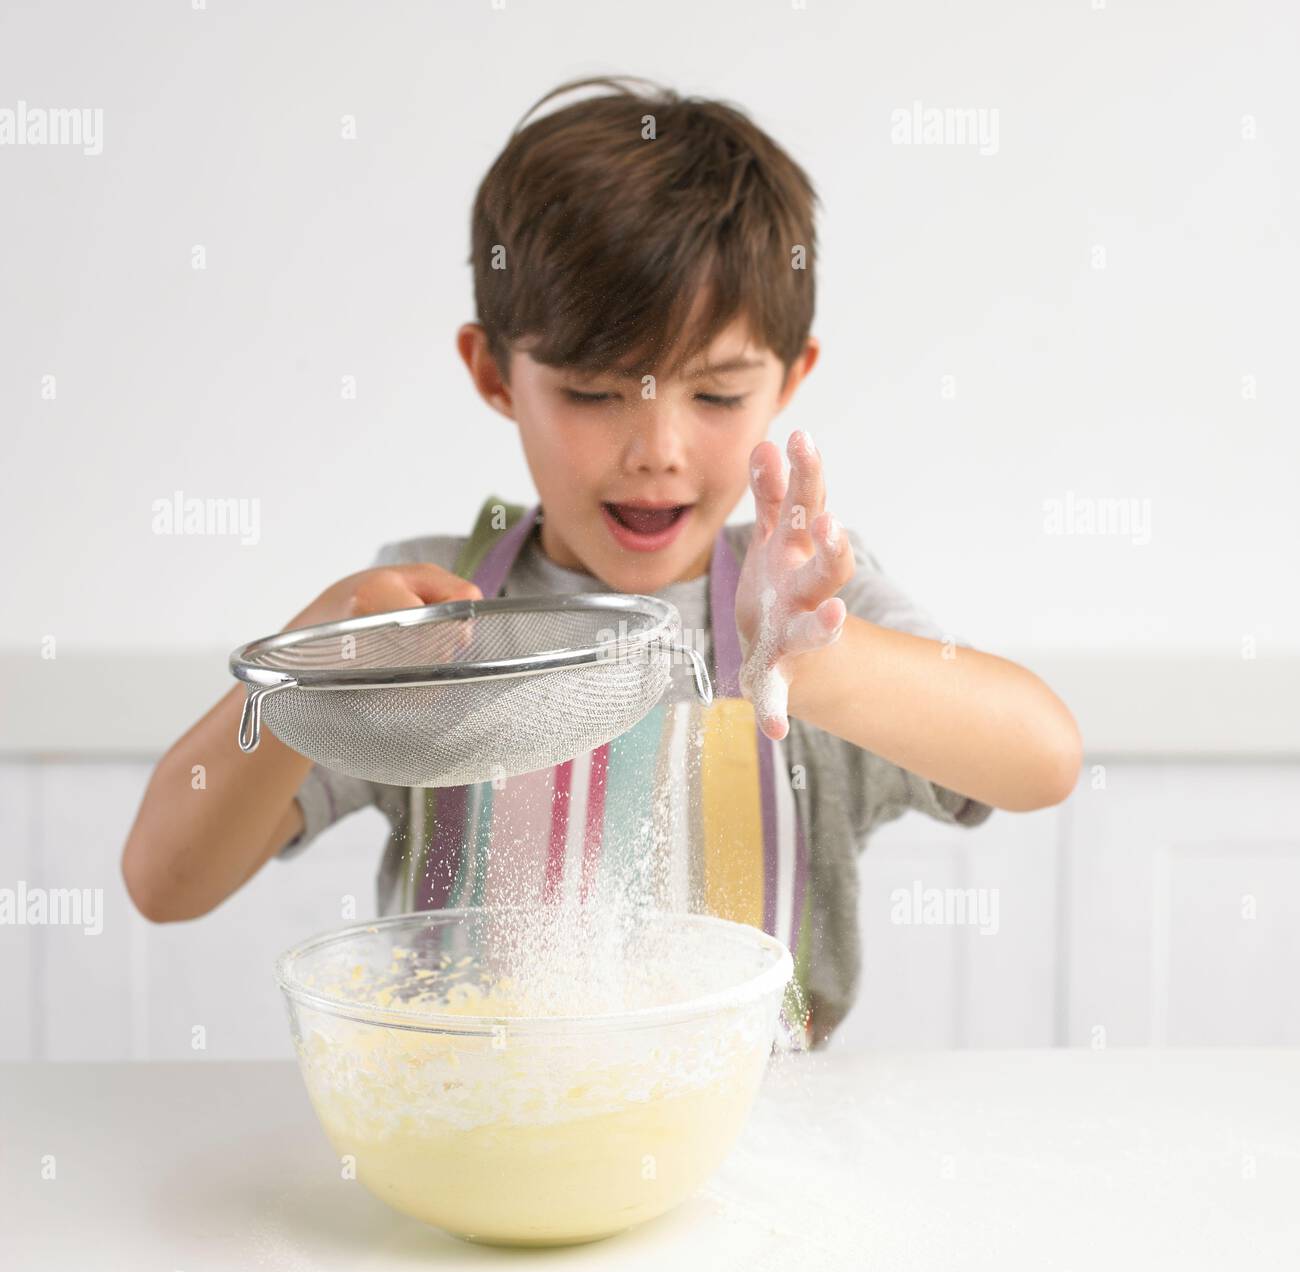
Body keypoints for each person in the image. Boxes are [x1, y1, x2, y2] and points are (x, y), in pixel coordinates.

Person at [123, 76, 1081, 1047]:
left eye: (713, 398)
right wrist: (314, 658)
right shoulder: (431, 608)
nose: (655, 448)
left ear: (790, 380)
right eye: (592, 393)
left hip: (758, 1147)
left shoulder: (807, 595)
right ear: (495, 374)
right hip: (478, 1134)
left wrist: (815, 663)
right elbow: (166, 881)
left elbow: (1042, 759)